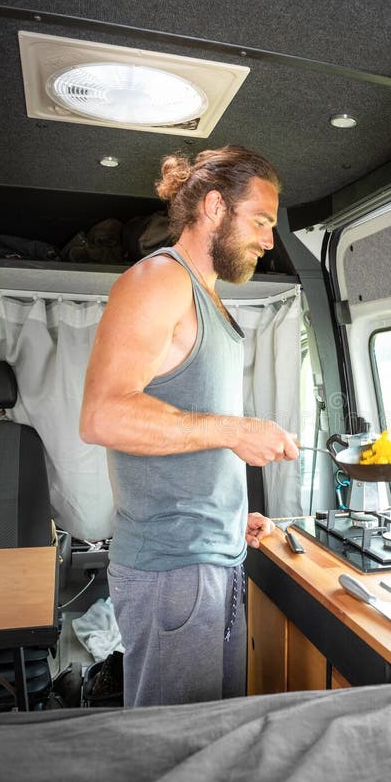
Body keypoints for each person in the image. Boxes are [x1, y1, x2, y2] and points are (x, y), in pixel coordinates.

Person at [79, 145, 299, 707]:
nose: (270, 241)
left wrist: (228, 517)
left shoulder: (208, 298)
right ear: (215, 208)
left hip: (209, 557)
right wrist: (234, 430)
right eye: (261, 221)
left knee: (206, 737)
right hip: (171, 570)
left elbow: (185, 426)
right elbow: (104, 414)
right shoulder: (159, 279)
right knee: (171, 750)